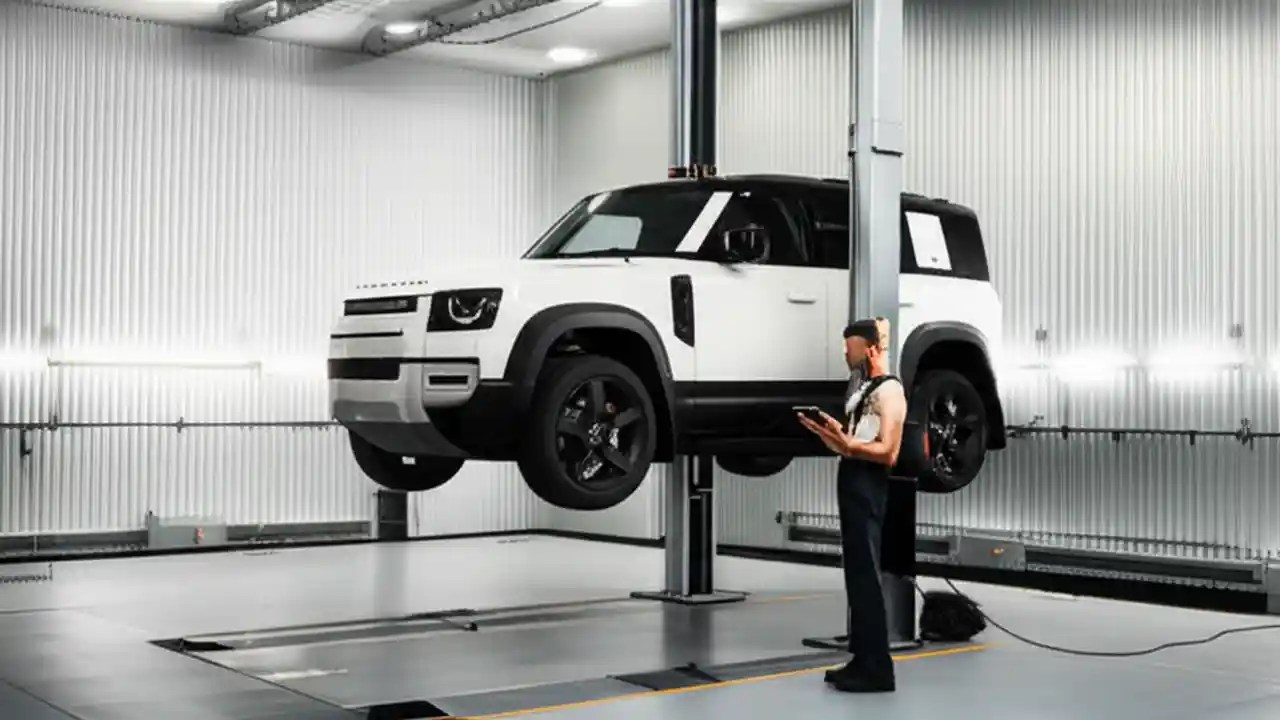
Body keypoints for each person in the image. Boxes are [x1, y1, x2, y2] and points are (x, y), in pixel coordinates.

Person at [798, 317, 907, 694]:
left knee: (866, 576)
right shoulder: (867, 388)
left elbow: (889, 452)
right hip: (853, 475)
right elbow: (859, 439)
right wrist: (834, 438)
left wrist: (848, 446)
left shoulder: (890, 391)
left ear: (870, 349)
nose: (846, 354)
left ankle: (877, 668)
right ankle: (863, 659)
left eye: (851, 348)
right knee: (856, 574)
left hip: (868, 481)